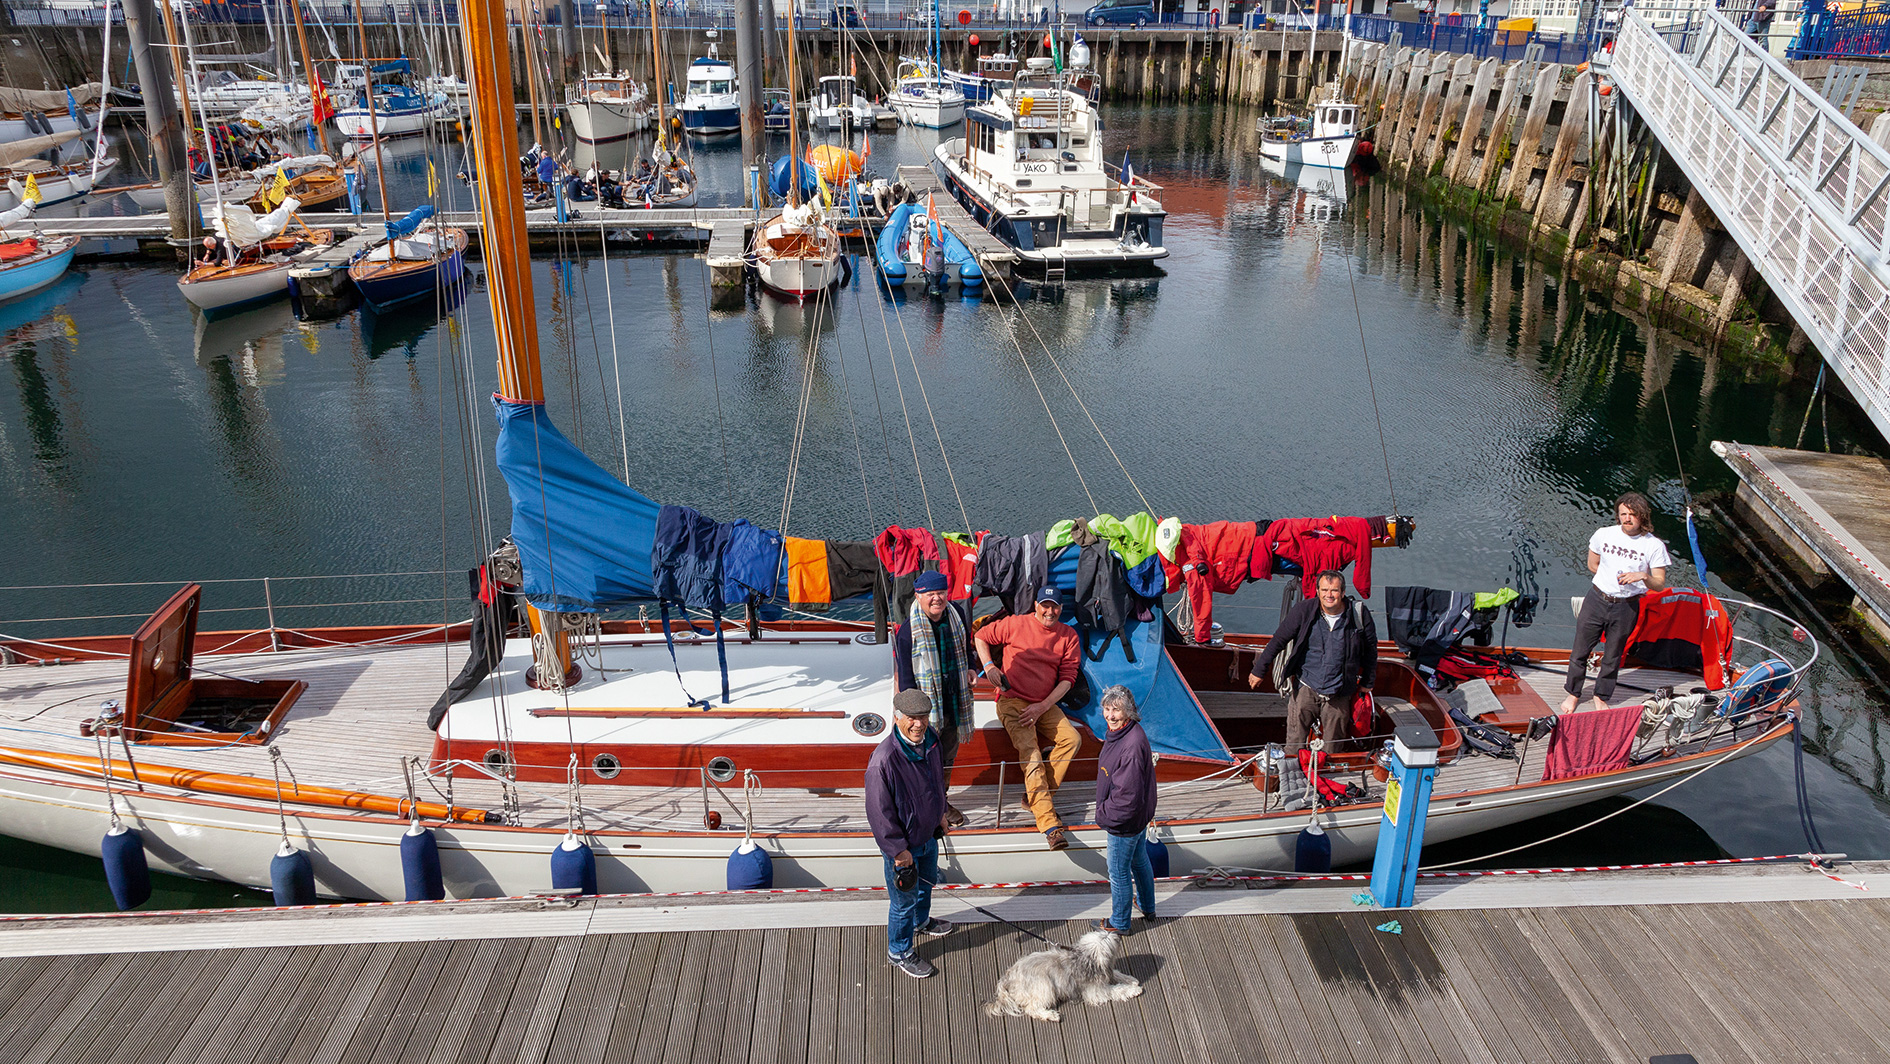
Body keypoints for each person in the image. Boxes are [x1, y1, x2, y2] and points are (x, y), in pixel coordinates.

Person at [974, 585, 1082, 850]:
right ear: (1036, 605)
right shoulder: (1015, 624)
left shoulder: (1068, 636)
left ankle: (1034, 797)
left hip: (1043, 704)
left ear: (1061, 608)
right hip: (1012, 701)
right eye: (1045, 606)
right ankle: (1050, 827)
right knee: (1031, 754)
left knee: (1072, 739)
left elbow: (1068, 678)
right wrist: (989, 666)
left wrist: (1042, 707)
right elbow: (980, 636)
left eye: (1055, 607)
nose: (1050, 612)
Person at [865, 688, 956, 979]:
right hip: (903, 849)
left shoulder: (931, 740)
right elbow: (879, 814)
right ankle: (899, 951)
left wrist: (941, 813)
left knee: (926, 885)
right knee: (903, 903)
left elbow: (937, 783)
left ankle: (922, 922)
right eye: (912, 718)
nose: (919, 724)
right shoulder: (883, 761)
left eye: (924, 717)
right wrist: (898, 851)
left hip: (928, 836)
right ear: (897, 717)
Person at [1247, 570, 1377, 753]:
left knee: (1333, 746)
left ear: (1343, 592)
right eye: (1324, 590)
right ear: (1317, 591)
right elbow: (1279, 640)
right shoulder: (1304, 610)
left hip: (1339, 691)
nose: (1329, 595)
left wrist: (1367, 681)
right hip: (1306, 686)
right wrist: (1259, 670)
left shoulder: (1358, 614)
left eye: (1334, 590)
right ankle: (1293, 768)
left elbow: (1371, 650)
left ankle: (1328, 770)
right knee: (1294, 742)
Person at [1562, 493, 1670, 713]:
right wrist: (1609, 580)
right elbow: (1592, 564)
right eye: (1623, 514)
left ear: (1642, 516)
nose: (1627, 519)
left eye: (1632, 514)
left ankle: (1601, 696)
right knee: (1580, 650)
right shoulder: (1603, 534)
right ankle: (1573, 693)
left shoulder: (1654, 545)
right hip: (1596, 600)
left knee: (1612, 655)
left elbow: (1659, 584)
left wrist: (1643, 576)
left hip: (1626, 606)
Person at [893, 570, 976, 827]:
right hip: (927, 708)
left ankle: (941, 801)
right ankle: (921, 802)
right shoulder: (907, 631)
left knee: (947, 757)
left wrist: (971, 668)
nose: (936, 598)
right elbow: (906, 678)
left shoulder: (957, 614)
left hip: (955, 701)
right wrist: (912, 715)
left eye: (940, 592)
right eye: (930, 594)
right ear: (918, 596)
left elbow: (966, 648)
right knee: (924, 756)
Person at [1094, 684, 1156, 934]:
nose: (1110, 716)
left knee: (1118, 872)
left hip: (1124, 822)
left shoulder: (1130, 745)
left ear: (1128, 711)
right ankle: (1147, 906)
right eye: (1107, 709)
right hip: (1139, 817)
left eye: (1116, 710)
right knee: (1139, 861)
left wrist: (1103, 815)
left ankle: (1119, 923)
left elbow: (1126, 798)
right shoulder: (1129, 732)